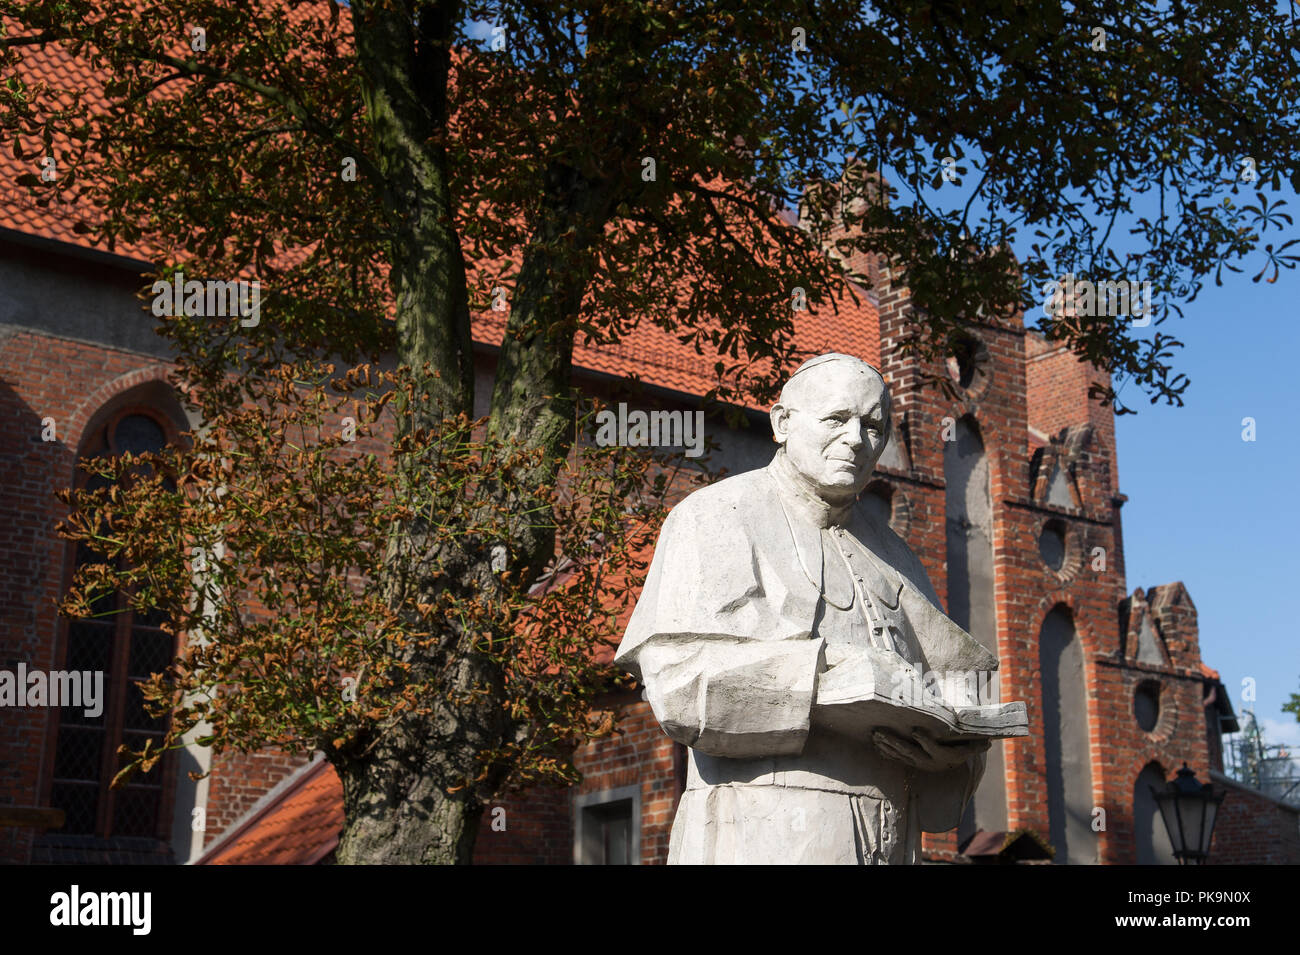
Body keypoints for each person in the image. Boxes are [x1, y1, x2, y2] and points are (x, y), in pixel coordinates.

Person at [616, 353, 996, 864]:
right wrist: (831, 678)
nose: (856, 440)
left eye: (873, 426)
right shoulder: (715, 516)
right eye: (837, 419)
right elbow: (678, 683)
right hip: (757, 825)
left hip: (892, 833)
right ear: (781, 423)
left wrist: (956, 754)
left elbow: (951, 694)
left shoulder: (898, 557)